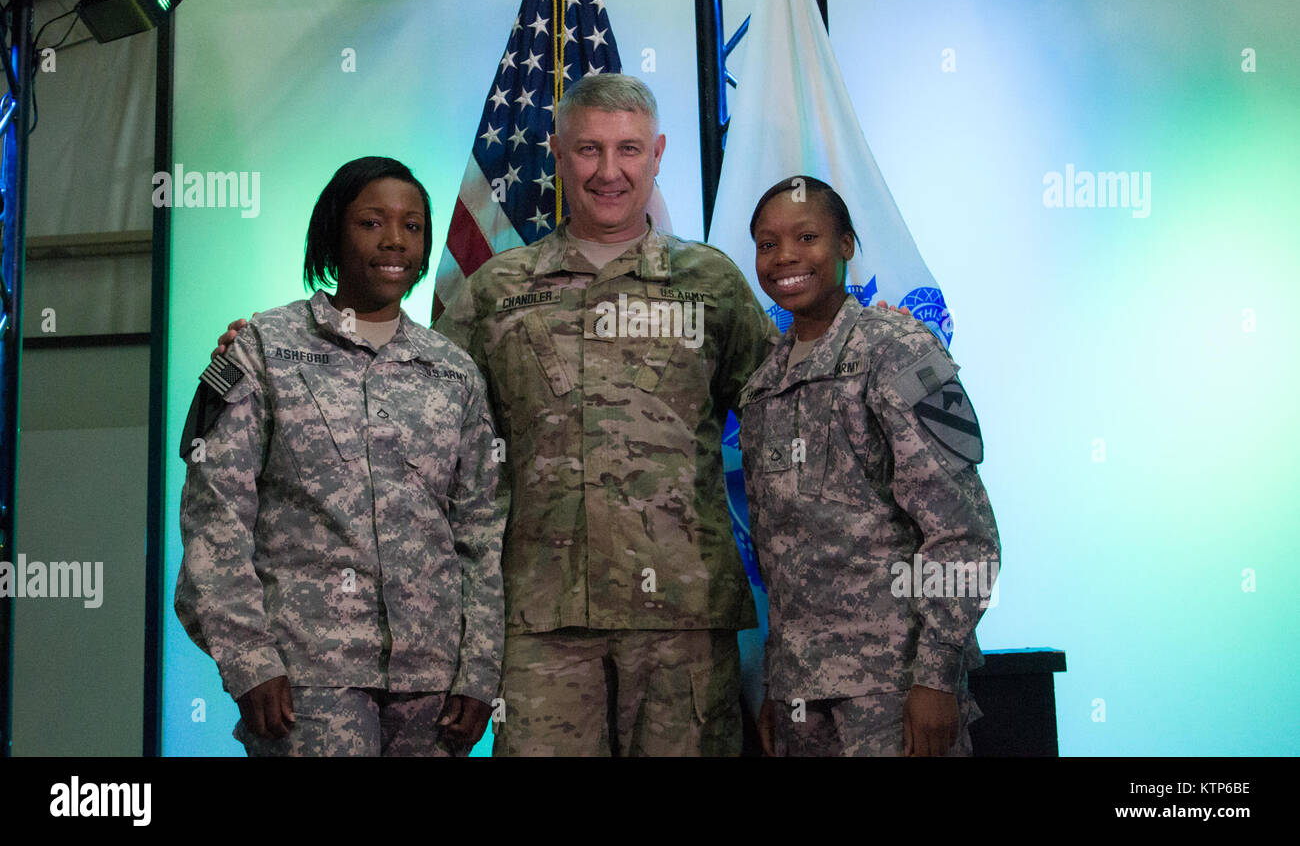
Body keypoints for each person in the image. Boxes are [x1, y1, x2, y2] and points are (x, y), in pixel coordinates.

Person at [435, 74, 778, 756]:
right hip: (542, 622)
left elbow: (788, 409)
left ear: (657, 153)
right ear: (558, 155)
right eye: (589, 150)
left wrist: (859, 333)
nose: (610, 171)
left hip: (684, 619)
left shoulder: (711, 284)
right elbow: (425, 420)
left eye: (628, 150)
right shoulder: (498, 291)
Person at [176, 156, 506, 757]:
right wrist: (247, 657)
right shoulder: (262, 350)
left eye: (412, 226)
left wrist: (480, 669)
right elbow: (214, 518)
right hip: (307, 678)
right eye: (371, 222)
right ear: (333, 231)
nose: (394, 241)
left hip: (431, 686)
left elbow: (480, 532)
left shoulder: (454, 371)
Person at [738, 175, 1000, 757]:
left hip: (893, 688)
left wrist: (934, 678)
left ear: (847, 246)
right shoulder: (762, 386)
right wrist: (779, 687)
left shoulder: (897, 351)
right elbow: (783, 560)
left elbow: (964, 535)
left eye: (807, 237)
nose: (785, 258)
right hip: (802, 699)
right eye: (766, 243)